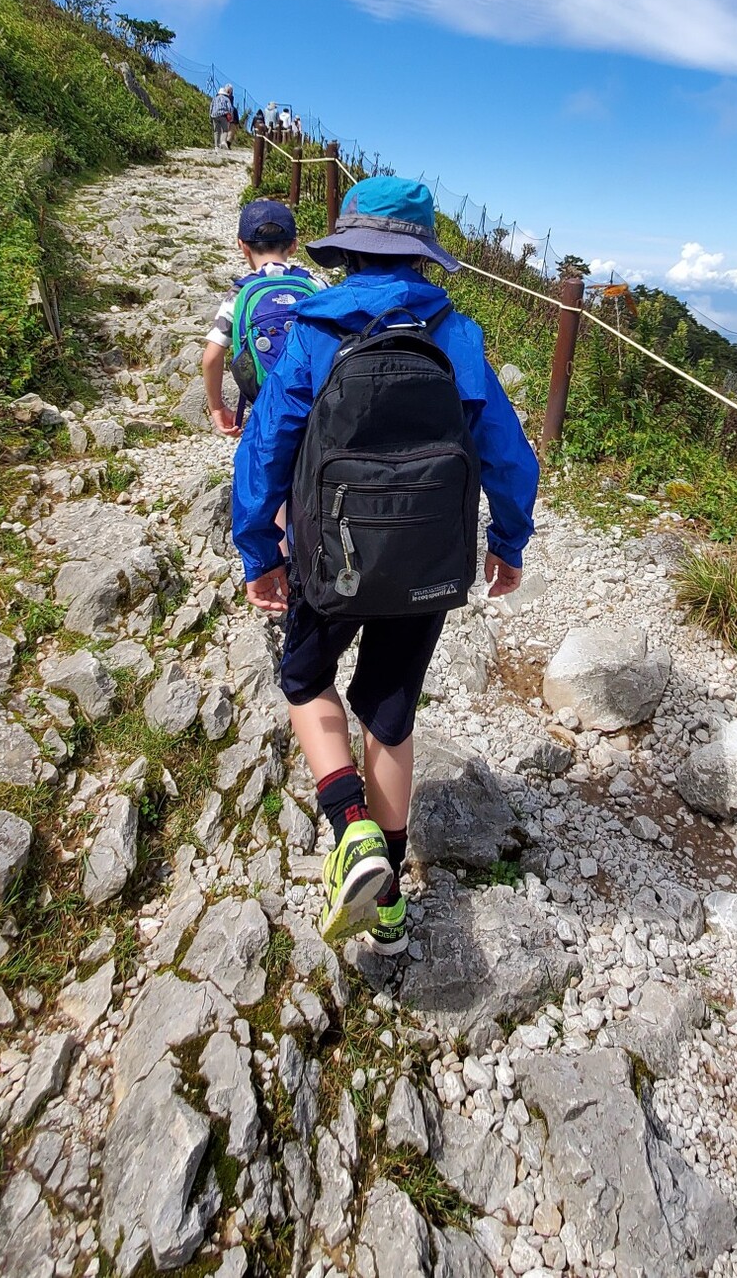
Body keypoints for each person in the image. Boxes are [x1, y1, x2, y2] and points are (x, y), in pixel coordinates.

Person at [232, 177, 538, 952]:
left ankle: (350, 830)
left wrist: (258, 549)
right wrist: (507, 542)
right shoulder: (456, 335)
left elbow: (265, 446)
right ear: (420, 255)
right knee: (392, 715)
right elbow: (507, 453)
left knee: (305, 680)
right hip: (427, 564)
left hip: (326, 556)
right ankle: (392, 904)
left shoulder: (311, 331)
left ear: (349, 251)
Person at [202, 199, 326, 437]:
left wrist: (216, 406)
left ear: (242, 246)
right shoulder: (316, 285)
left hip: (266, 403)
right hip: (314, 399)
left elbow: (211, 357)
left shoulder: (239, 294)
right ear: (293, 245)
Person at [209, 83, 235, 150]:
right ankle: (223, 142)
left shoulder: (214, 99)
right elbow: (230, 109)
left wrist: (210, 116)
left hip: (214, 115)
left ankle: (216, 146)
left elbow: (211, 107)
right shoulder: (226, 99)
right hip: (223, 115)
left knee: (216, 131)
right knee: (225, 130)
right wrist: (231, 117)